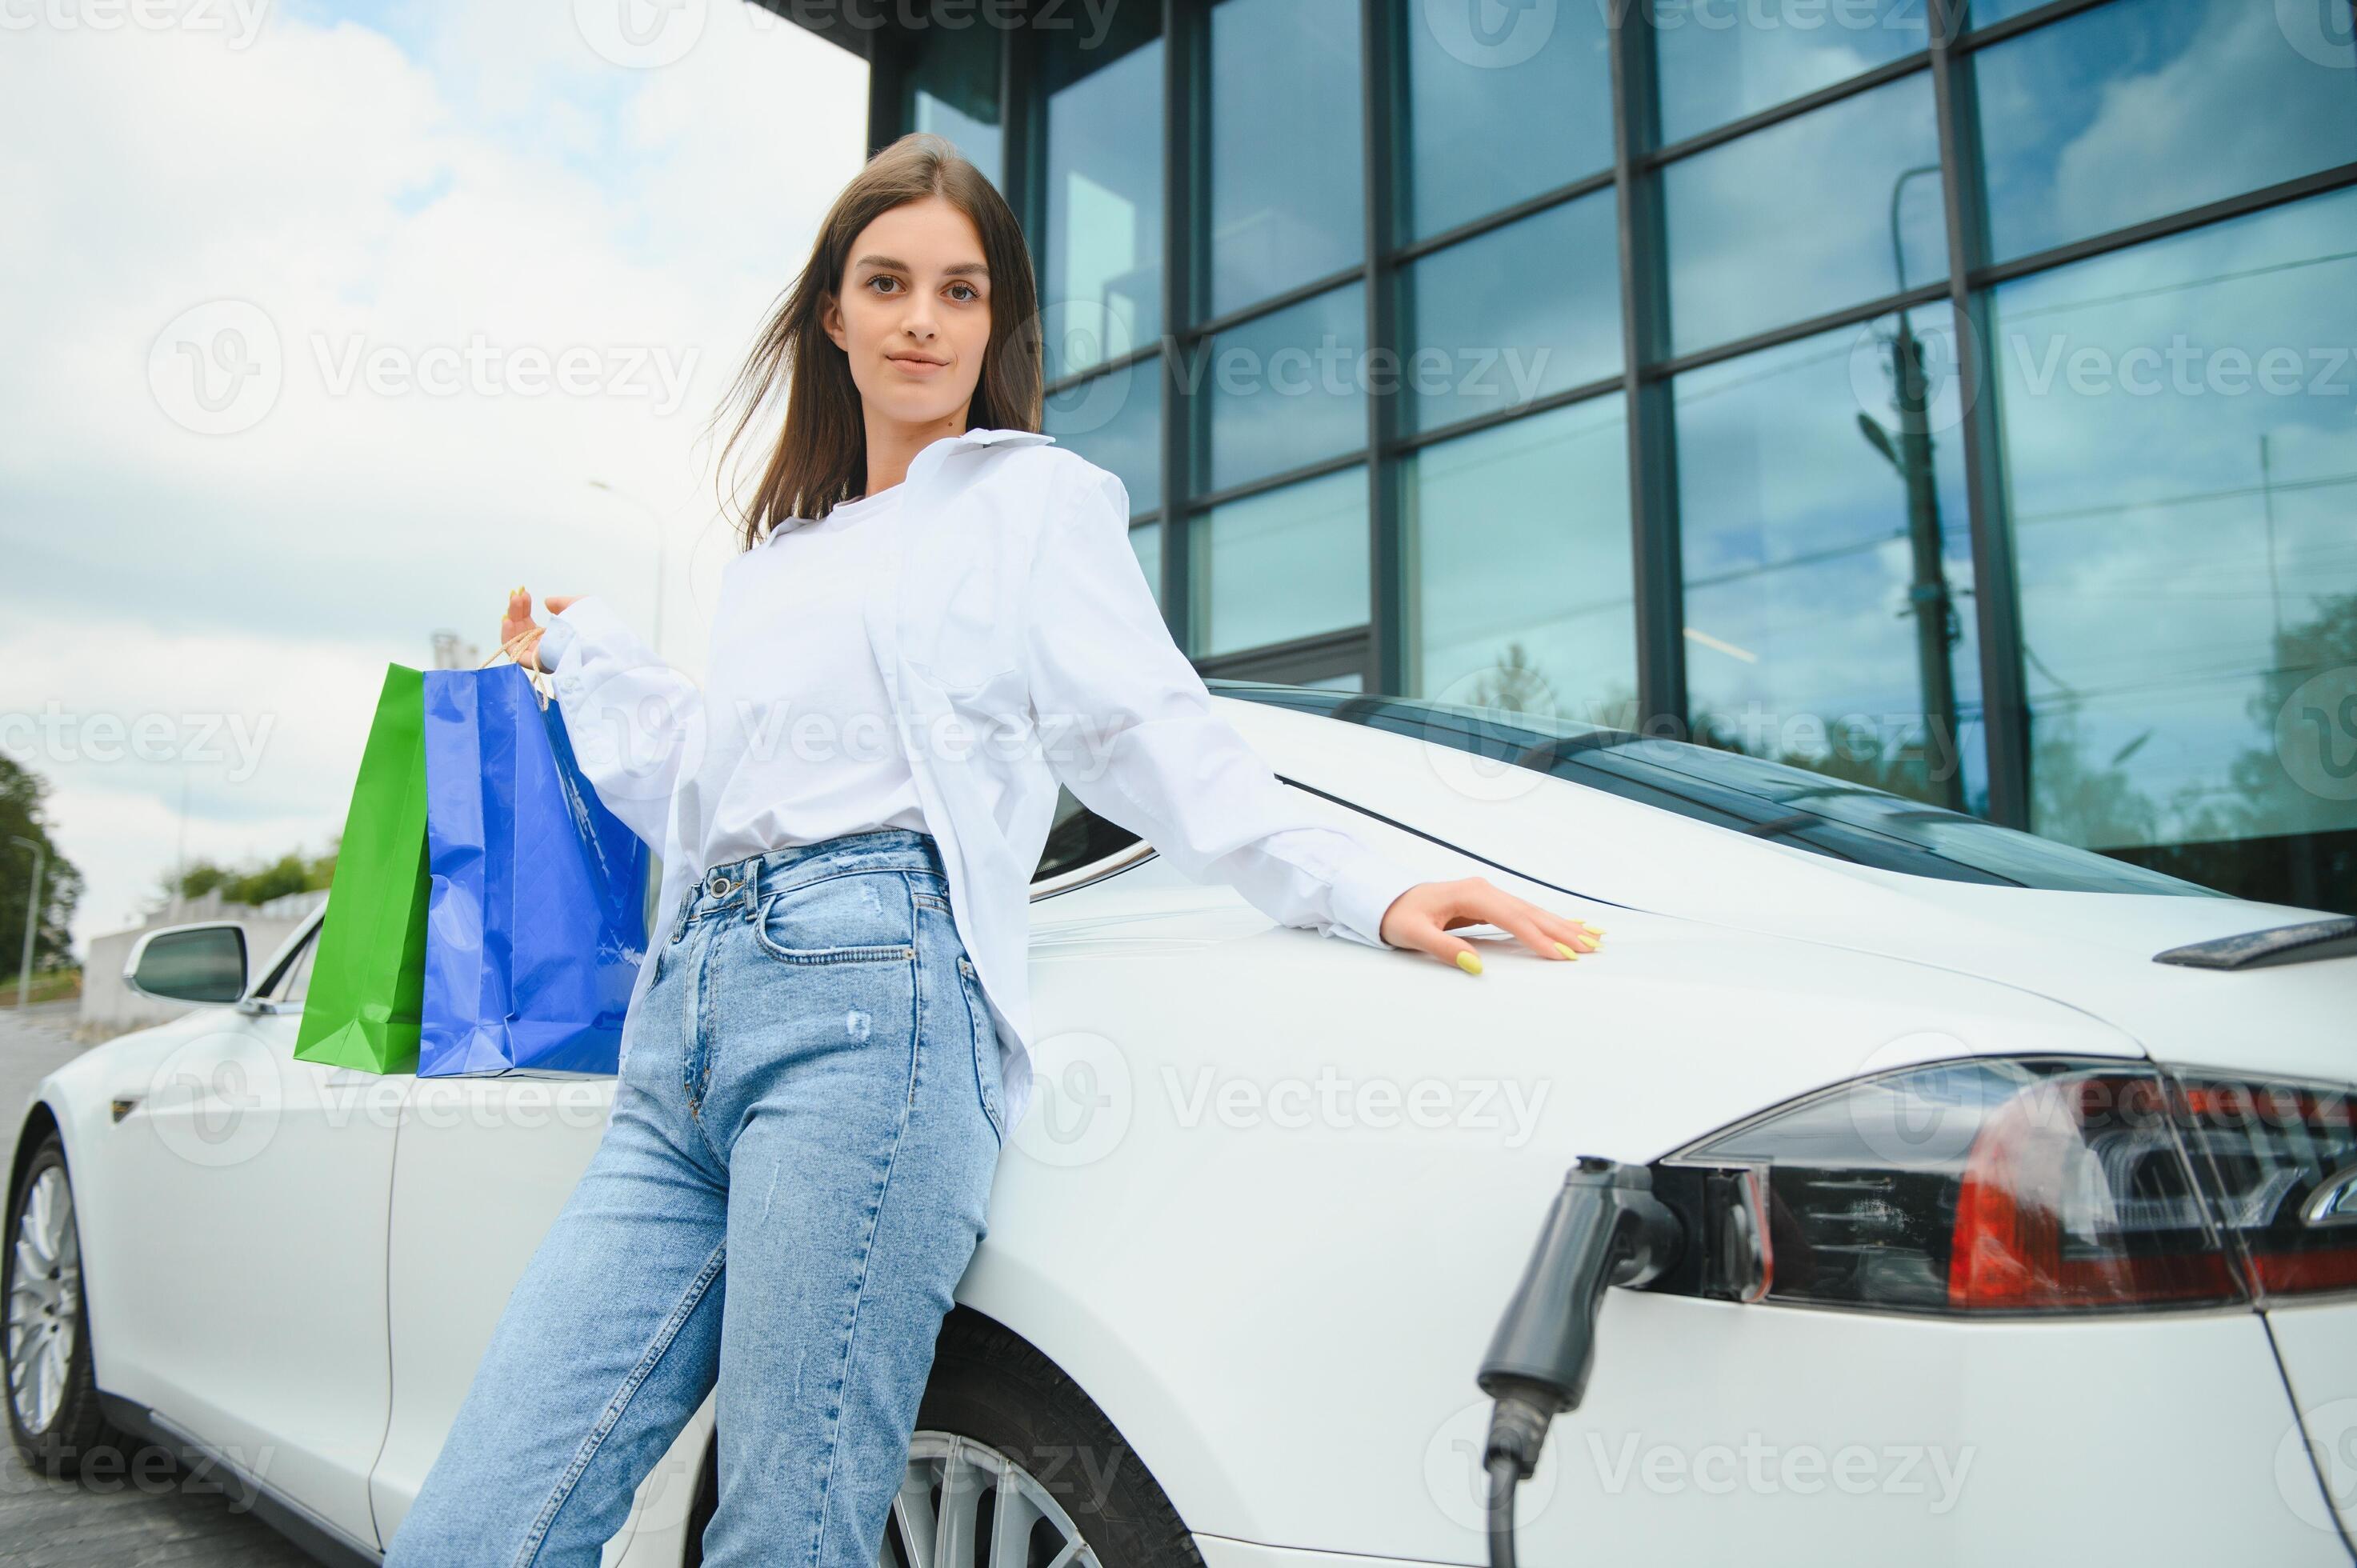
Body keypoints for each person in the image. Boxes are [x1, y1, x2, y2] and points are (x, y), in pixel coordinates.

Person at [382, 130, 1601, 1568]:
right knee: (484, 1520)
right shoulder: (775, 560)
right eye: (886, 283)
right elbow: (706, 786)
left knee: (783, 1531)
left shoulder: (1029, 503)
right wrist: (581, 662)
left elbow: (1150, 733)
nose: (919, 319)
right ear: (831, 316)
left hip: (871, 1015)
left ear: (994, 324)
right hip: (682, 1035)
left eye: (958, 293)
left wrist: (1365, 882)